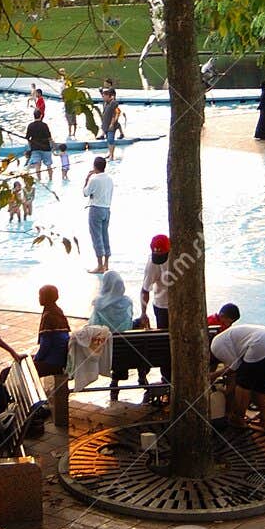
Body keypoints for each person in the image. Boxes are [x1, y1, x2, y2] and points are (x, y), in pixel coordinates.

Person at [210, 321, 265, 427]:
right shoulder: (224, 339)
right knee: (260, 386)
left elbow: (233, 369)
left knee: (243, 384)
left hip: (261, 342)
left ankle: (238, 418)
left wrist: (214, 376)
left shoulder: (215, 347)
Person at [88, 269, 142, 398]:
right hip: (128, 349)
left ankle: (114, 382)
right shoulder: (127, 302)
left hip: (106, 351)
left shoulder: (98, 304)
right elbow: (127, 326)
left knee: (113, 341)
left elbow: (94, 327)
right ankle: (142, 376)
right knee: (137, 334)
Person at [34, 285, 71, 381]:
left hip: (52, 363)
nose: (39, 298)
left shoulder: (48, 316)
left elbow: (45, 346)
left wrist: (35, 360)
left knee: (8, 371)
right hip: (61, 359)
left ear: (46, 298)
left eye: (40, 296)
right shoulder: (58, 311)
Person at [83, 155, 113, 273]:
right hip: (107, 208)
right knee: (105, 235)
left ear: (95, 166)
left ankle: (100, 265)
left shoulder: (94, 179)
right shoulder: (109, 179)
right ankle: (106, 264)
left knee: (97, 236)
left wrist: (87, 179)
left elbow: (85, 193)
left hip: (96, 208)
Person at [138, 233, 173, 329]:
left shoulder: (179, 256)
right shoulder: (152, 264)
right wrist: (144, 313)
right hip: (162, 306)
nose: (158, 258)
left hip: (181, 304)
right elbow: (145, 290)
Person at [24, 114, 55, 181]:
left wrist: (30, 145)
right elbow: (49, 137)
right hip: (46, 147)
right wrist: (53, 145)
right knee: (48, 165)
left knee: (37, 165)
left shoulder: (30, 125)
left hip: (35, 148)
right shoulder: (44, 125)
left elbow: (27, 138)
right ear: (40, 116)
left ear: (34, 116)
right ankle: (50, 179)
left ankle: (39, 179)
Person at [100, 88, 125, 160]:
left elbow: (116, 113)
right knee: (108, 140)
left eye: (104, 96)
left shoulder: (113, 103)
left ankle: (111, 155)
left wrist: (112, 123)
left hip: (111, 125)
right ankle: (110, 153)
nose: (103, 98)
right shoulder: (106, 103)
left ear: (108, 96)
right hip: (106, 124)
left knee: (111, 140)